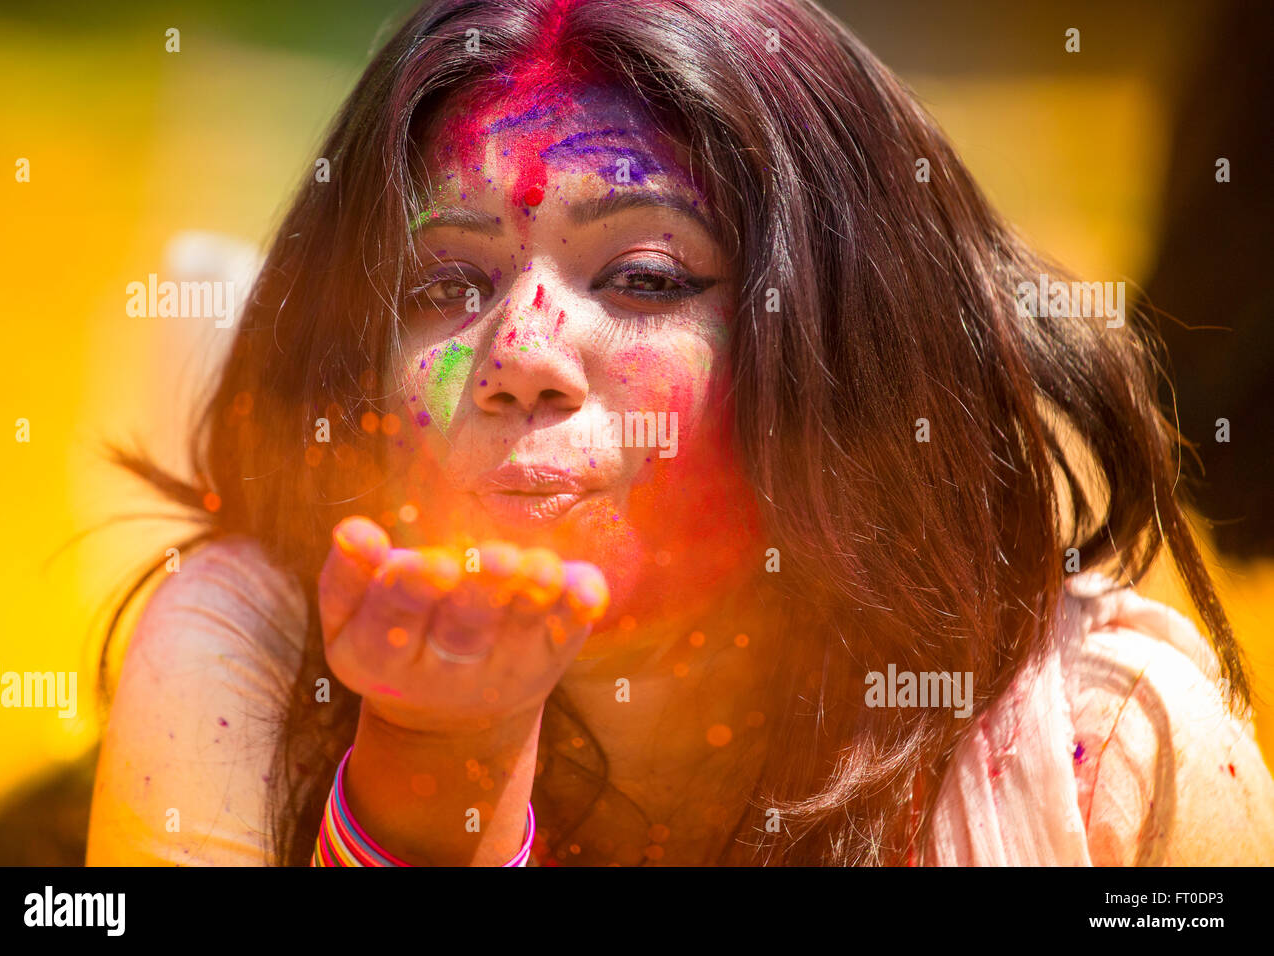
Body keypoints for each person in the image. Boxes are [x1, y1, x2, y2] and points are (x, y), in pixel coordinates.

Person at [86, 0, 1274, 867]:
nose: (519, 357)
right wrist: (433, 780)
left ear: (837, 349)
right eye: (446, 284)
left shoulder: (1106, 747)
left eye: (647, 277)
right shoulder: (250, 662)